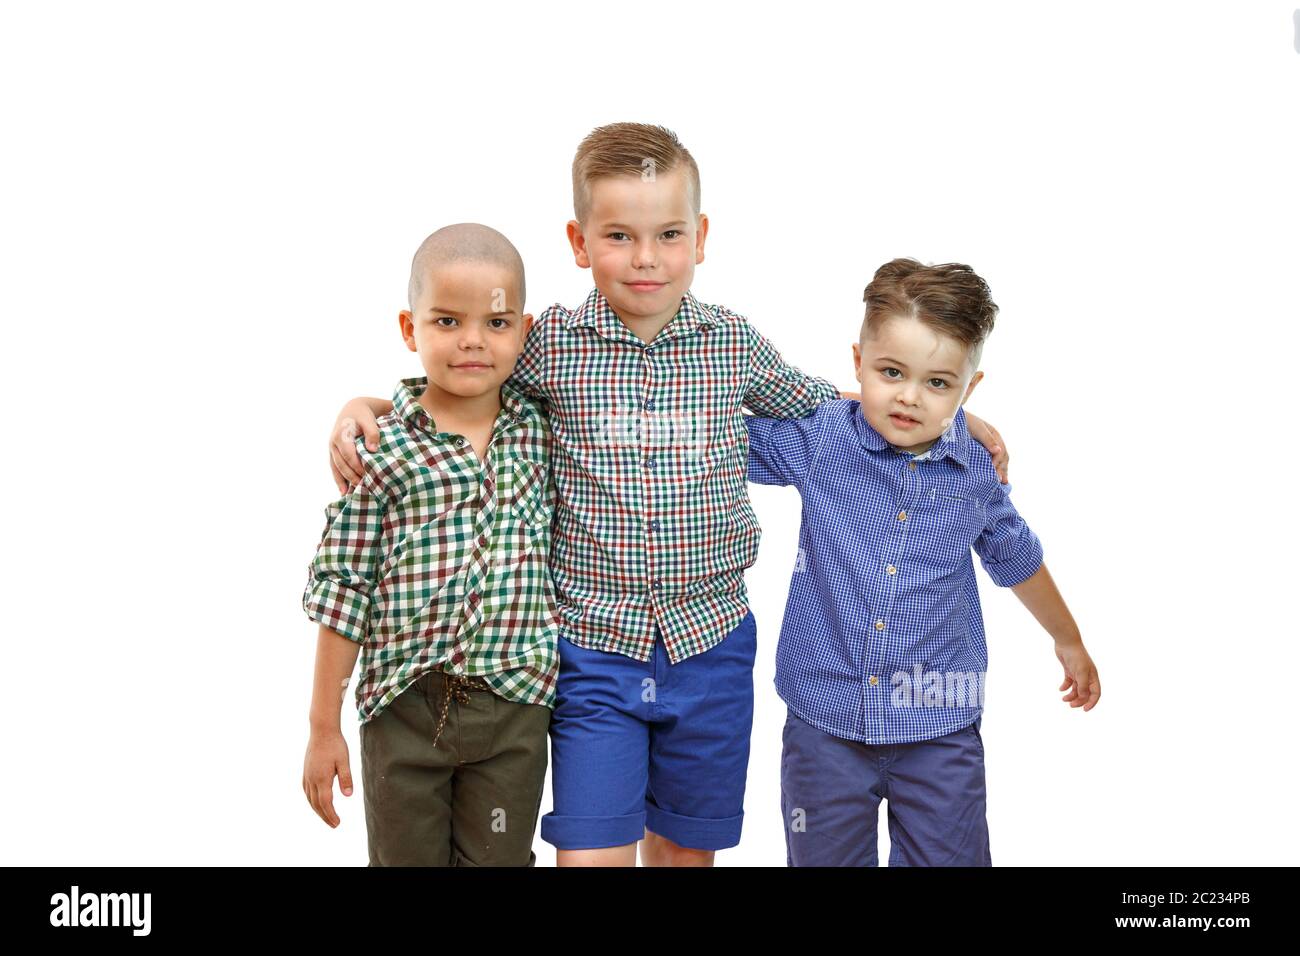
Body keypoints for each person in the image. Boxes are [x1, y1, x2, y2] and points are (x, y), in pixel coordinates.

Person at [327, 123, 1010, 866]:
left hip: (709, 645)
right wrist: (372, 405)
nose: (645, 258)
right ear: (579, 242)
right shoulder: (549, 344)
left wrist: (942, 412)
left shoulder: (732, 344)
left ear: (701, 237)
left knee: (684, 853)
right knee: (592, 853)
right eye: (619, 235)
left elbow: (822, 404)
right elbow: (465, 376)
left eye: (669, 234)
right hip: (594, 646)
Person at [746, 257, 1100, 866]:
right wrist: (842, 398)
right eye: (891, 372)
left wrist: (1068, 639)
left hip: (938, 725)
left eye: (938, 383)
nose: (909, 397)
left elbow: (1017, 557)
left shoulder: (974, 472)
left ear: (969, 388)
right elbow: (713, 430)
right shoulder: (820, 438)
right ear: (858, 361)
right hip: (824, 720)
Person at [302, 223, 558, 866]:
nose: (472, 340)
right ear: (409, 328)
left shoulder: (545, 432)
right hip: (404, 708)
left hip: (516, 704)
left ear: (523, 330)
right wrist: (323, 726)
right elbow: (345, 592)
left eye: (496, 323)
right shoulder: (380, 450)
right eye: (447, 321)